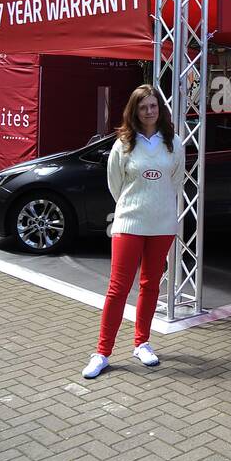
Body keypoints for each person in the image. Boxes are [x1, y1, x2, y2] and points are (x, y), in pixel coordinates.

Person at [81, 85, 184, 380]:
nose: (149, 111)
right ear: (134, 111)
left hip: (162, 224)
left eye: (154, 106)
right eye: (143, 107)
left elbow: (175, 180)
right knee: (118, 287)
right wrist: (133, 205)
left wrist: (160, 205)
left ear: (160, 109)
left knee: (151, 285)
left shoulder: (173, 142)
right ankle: (102, 353)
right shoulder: (123, 143)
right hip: (129, 222)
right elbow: (116, 184)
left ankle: (142, 343)